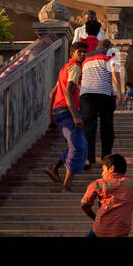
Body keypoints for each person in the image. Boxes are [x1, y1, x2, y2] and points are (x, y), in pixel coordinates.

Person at [45, 42, 89, 190]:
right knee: (79, 147)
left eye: (84, 52)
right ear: (72, 54)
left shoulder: (65, 68)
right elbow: (68, 92)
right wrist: (75, 116)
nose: (83, 54)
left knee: (78, 144)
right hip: (68, 110)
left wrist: (51, 118)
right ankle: (67, 184)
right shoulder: (75, 68)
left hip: (58, 111)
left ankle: (54, 167)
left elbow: (52, 94)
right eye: (79, 52)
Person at [79, 30, 118, 167]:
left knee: (88, 127)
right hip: (104, 93)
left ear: (97, 47)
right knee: (106, 126)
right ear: (108, 46)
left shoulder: (86, 56)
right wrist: (119, 92)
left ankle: (88, 158)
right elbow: (114, 73)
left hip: (86, 94)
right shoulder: (112, 53)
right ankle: (106, 157)